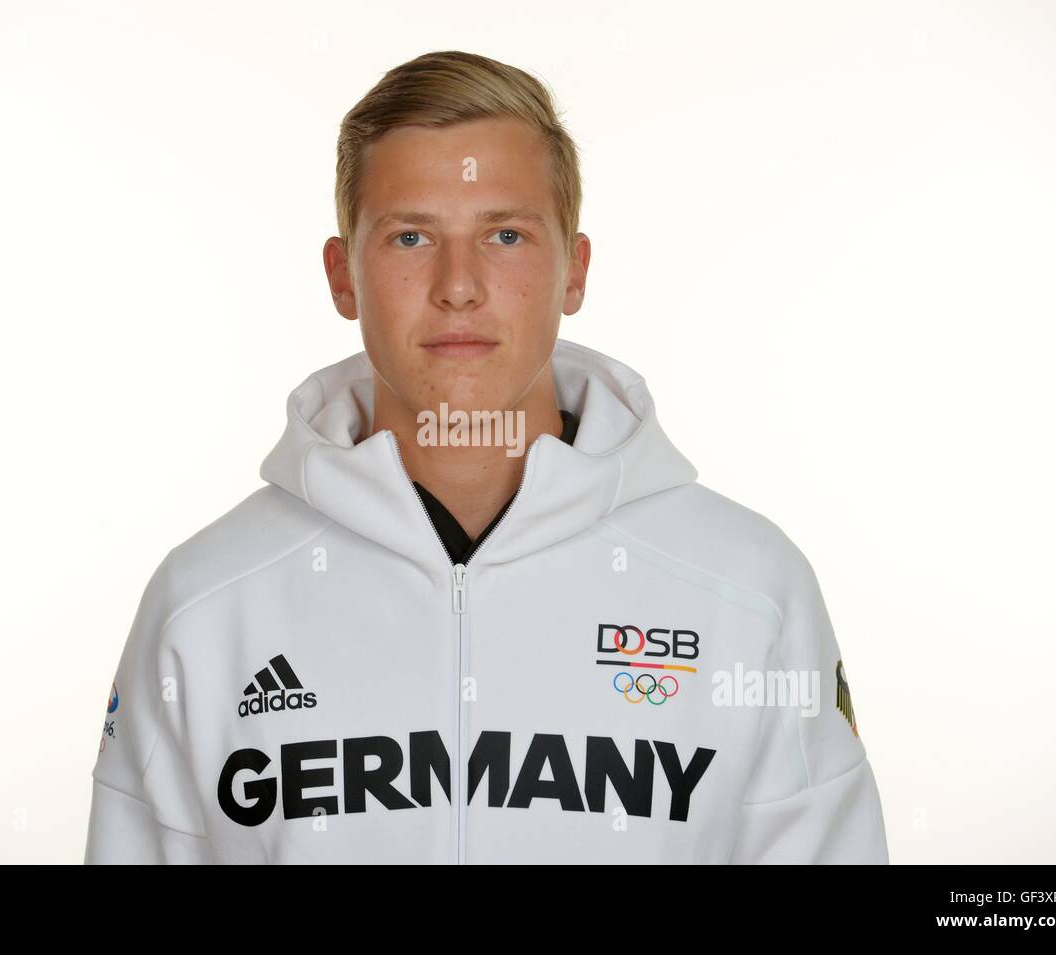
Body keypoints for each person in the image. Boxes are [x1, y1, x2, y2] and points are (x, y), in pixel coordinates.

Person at [83, 50, 889, 864]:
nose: (459, 285)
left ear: (573, 269)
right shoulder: (207, 605)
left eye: (505, 234)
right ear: (344, 277)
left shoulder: (747, 593)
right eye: (409, 236)